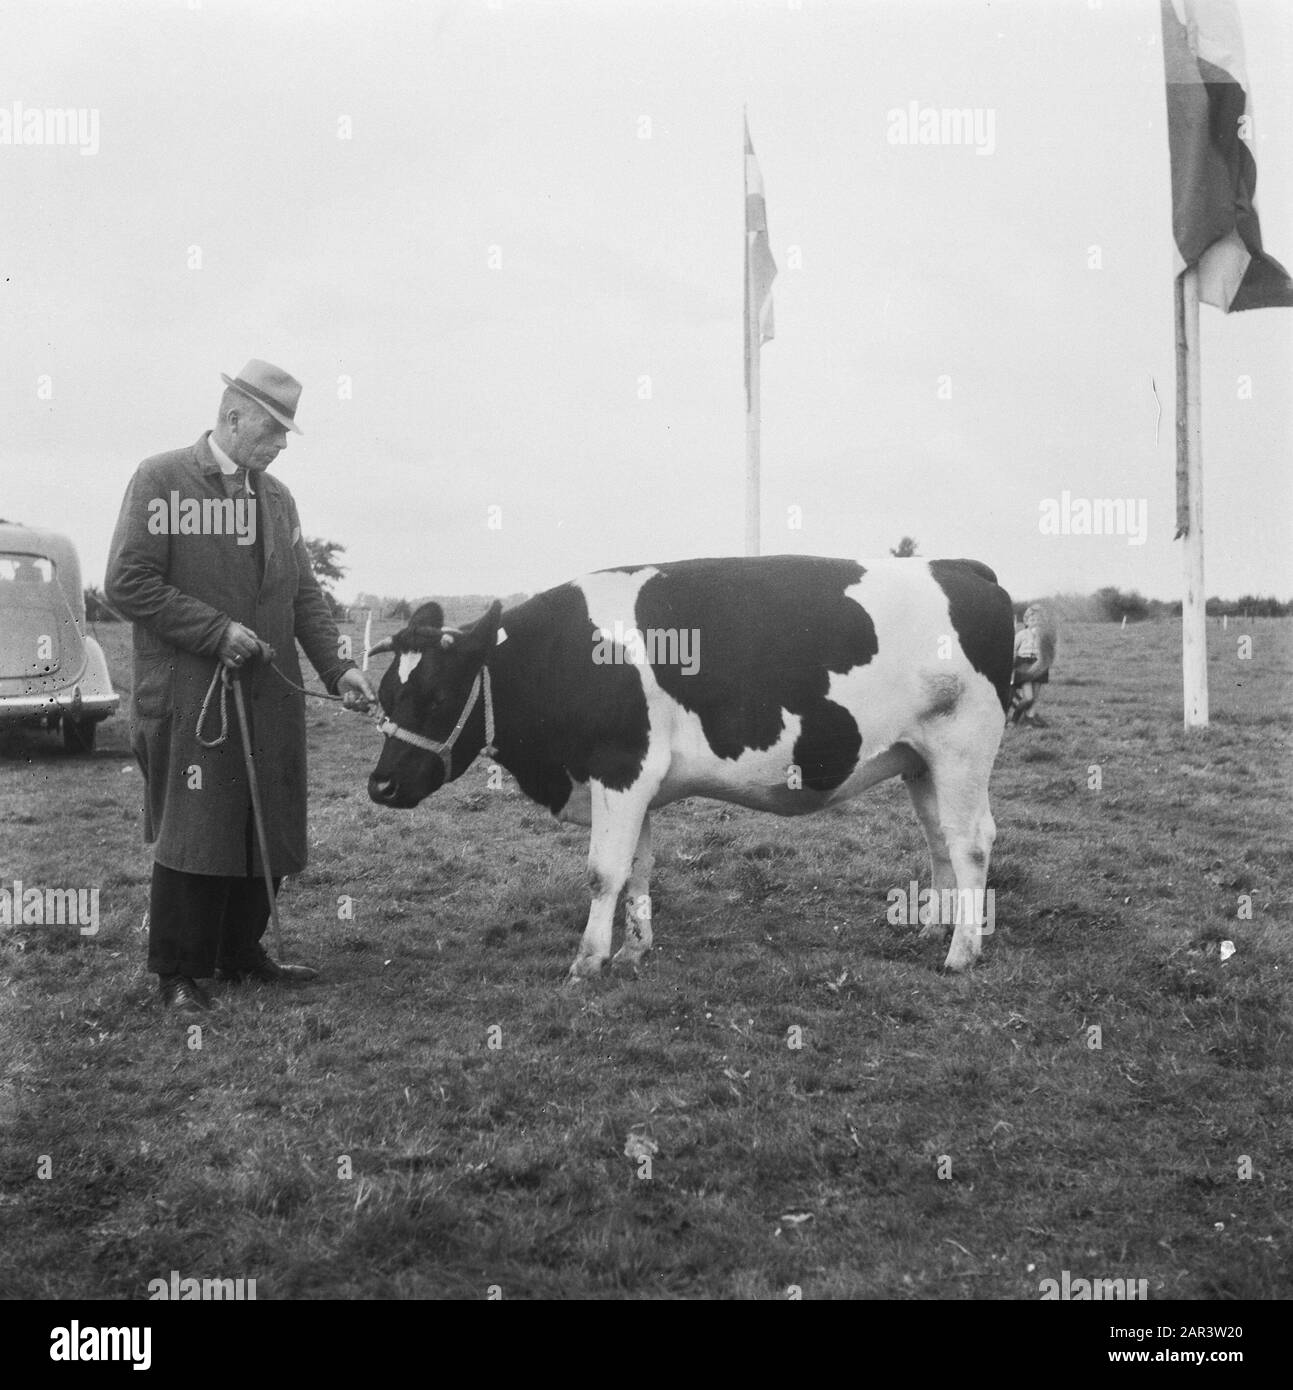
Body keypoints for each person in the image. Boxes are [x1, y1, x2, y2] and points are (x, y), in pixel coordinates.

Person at [106, 360, 375, 1015]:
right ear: (232, 417)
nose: (281, 444)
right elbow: (127, 583)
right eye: (273, 429)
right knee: (194, 830)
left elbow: (305, 595)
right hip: (193, 693)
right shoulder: (160, 479)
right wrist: (215, 630)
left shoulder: (277, 498)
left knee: (266, 825)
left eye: (286, 432)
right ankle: (177, 970)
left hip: (270, 699)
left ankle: (240, 952)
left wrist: (340, 667)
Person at [1010, 603, 1055, 726]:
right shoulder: (1021, 634)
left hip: (1039, 665)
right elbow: (1013, 649)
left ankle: (1029, 718)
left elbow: (1048, 651)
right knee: (1028, 697)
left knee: (1035, 697)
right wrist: (1013, 665)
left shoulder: (1044, 636)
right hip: (1024, 665)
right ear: (1026, 621)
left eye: (1038, 620)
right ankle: (1015, 718)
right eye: (1032, 619)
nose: (1035, 622)